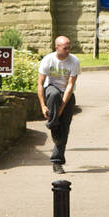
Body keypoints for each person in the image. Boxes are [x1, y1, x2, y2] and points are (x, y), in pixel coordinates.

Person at [37, 35, 80, 174]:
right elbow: (40, 83)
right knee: (54, 94)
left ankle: (57, 162)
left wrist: (61, 109)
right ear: (57, 47)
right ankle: (53, 123)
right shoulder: (48, 60)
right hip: (51, 90)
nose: (68, 51)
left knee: (64, 131)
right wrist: (43, 106)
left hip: (67, 94)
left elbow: (70, 85)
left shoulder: (74, 61)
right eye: (65, 48)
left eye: (69, 48)